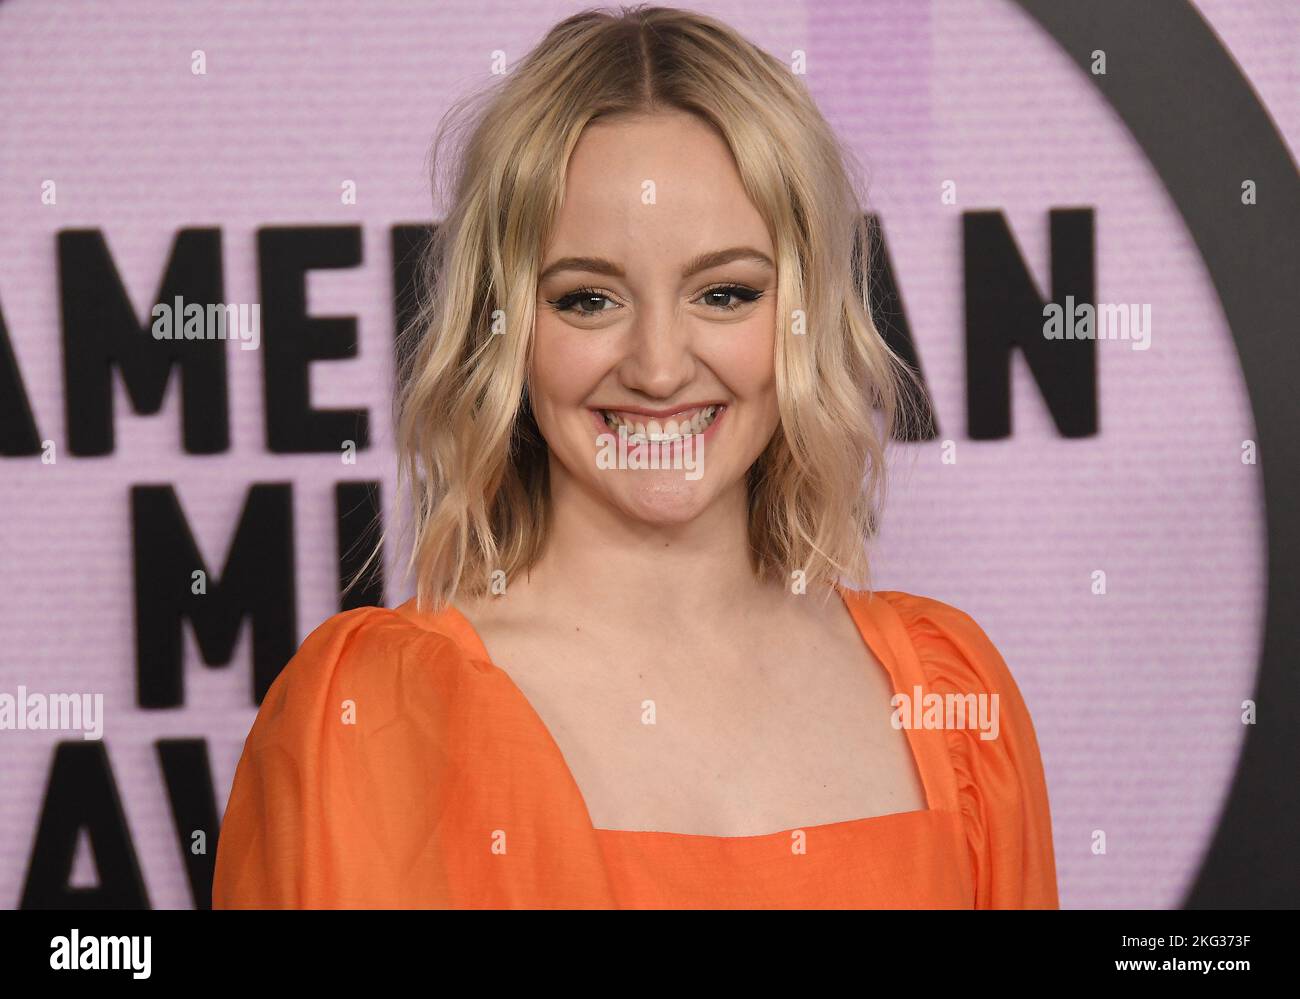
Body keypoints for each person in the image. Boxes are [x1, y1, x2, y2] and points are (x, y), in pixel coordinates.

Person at [212, 4, 1058, 909]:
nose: (658, 366)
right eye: (587, 300)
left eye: (726, 293)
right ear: (504, 330)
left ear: (803, 316)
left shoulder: (951, 698)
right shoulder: (370, 718)